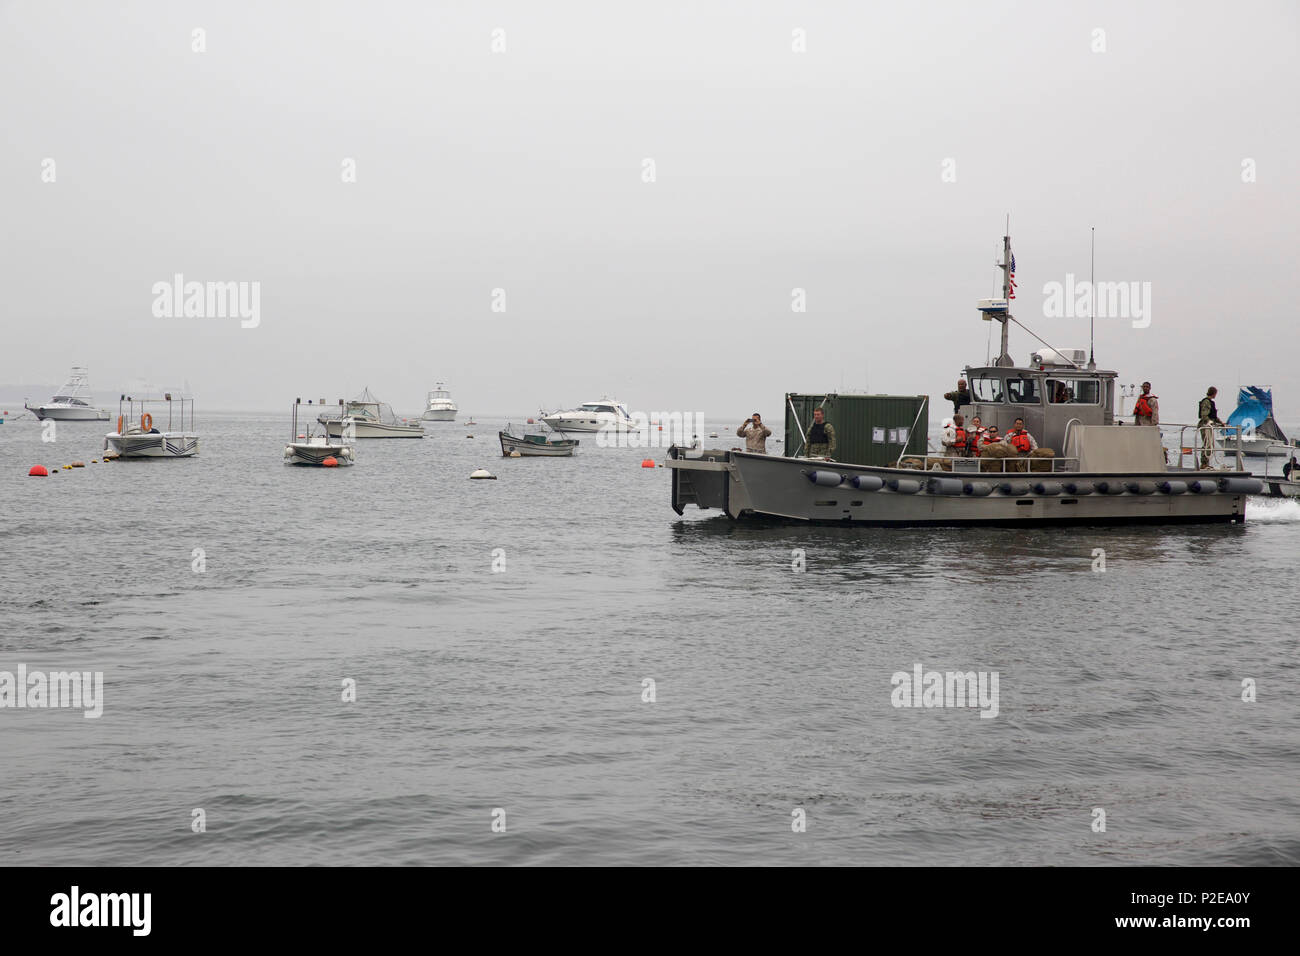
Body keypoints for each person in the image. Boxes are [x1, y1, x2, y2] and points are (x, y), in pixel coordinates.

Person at [1197, 387, 1225, 468]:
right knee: (1207, 444)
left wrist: (1221, 423)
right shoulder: (1206, 402)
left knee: (1210, 445)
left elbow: (1214, 417)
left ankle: (1206, 463)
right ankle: (1204, 463)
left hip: (1209, 425)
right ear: (1214, 393)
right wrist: (1209, 422)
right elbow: (1204, 415)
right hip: (1205, 425)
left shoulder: (1211, 402)